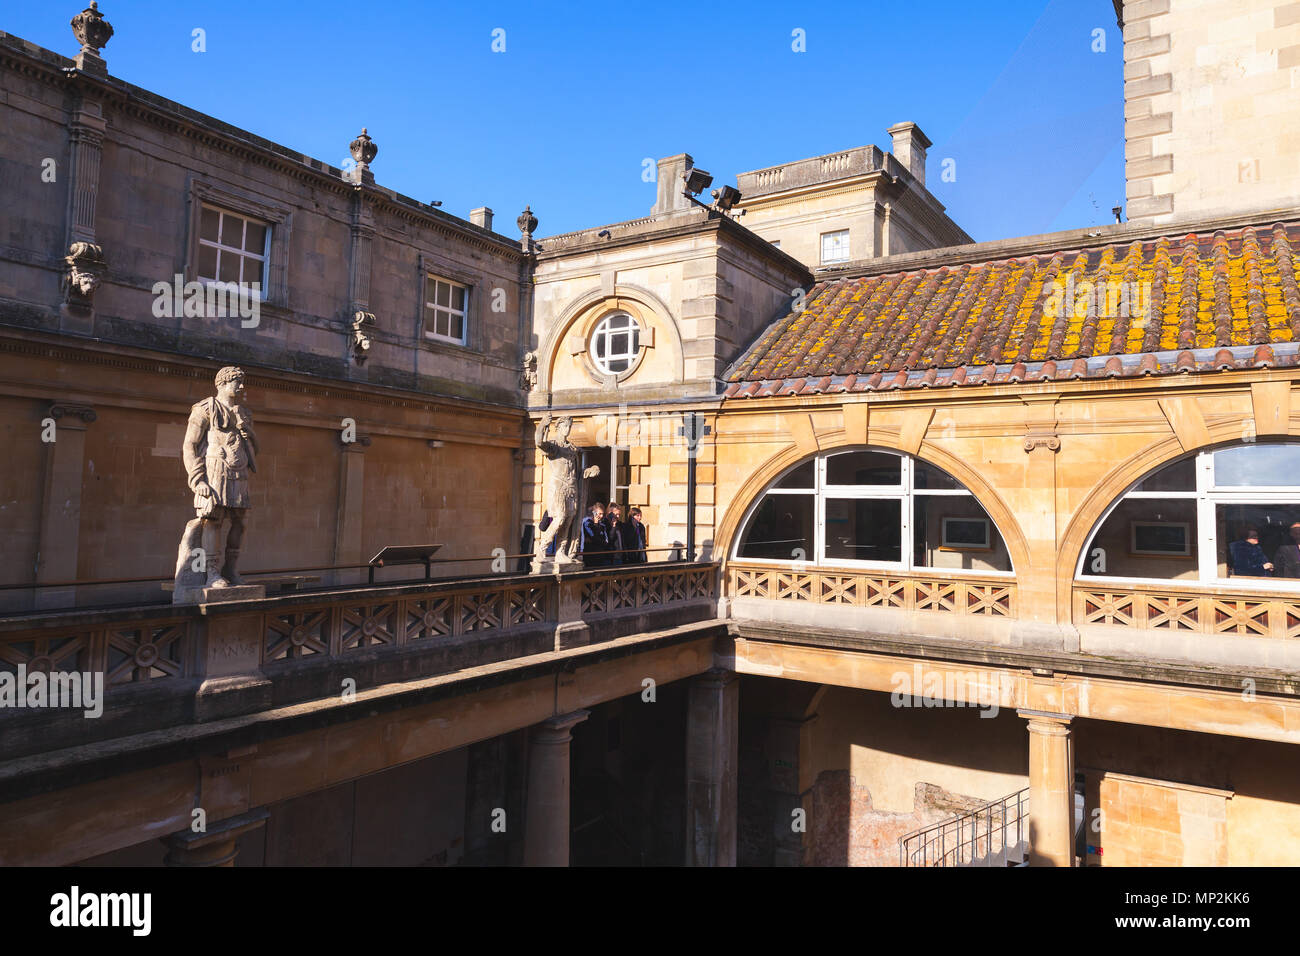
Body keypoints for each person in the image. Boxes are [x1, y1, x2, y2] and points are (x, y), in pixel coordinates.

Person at [173, 366, 258, 596]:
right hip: (215, 471)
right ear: (222, 383)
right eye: (236, 382)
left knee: (240, 521)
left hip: (239, 471)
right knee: (214, 520)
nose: (241, 387)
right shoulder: (205, 409)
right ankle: (211, 573)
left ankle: (230, 569)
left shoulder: (244, 413)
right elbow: (189, 445)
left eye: (242, 382)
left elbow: (254, 450)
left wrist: (248, 433)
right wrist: (198, 479)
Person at [581, 502, 610, 567]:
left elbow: (605, 541)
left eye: (602, 514)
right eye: (600, 514)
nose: (601, 516)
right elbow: (593, 537)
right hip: (590, 555)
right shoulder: (587, 523)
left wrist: (597, 540)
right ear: (594, 512)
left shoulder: (602, 525)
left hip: (600, 555)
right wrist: (599, 540)